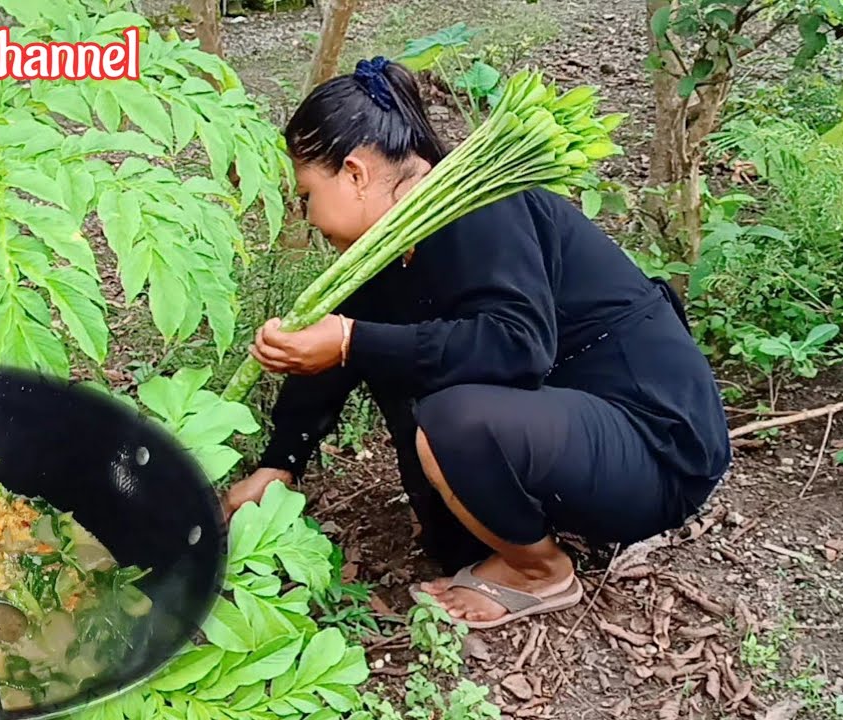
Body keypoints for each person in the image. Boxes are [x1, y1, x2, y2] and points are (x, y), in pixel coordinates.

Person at [222, 57, 731, 630]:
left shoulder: (479, 207)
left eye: (307, 194)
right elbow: (347, 344)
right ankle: (510, 535)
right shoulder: (392, 241)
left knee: (448, 417)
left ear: (356, 172)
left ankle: (543, 573)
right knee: (448, 531)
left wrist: (350, 342)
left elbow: (518, 345)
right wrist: (281, 463)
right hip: (579, 430)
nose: (307, 216)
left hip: (656, 447)